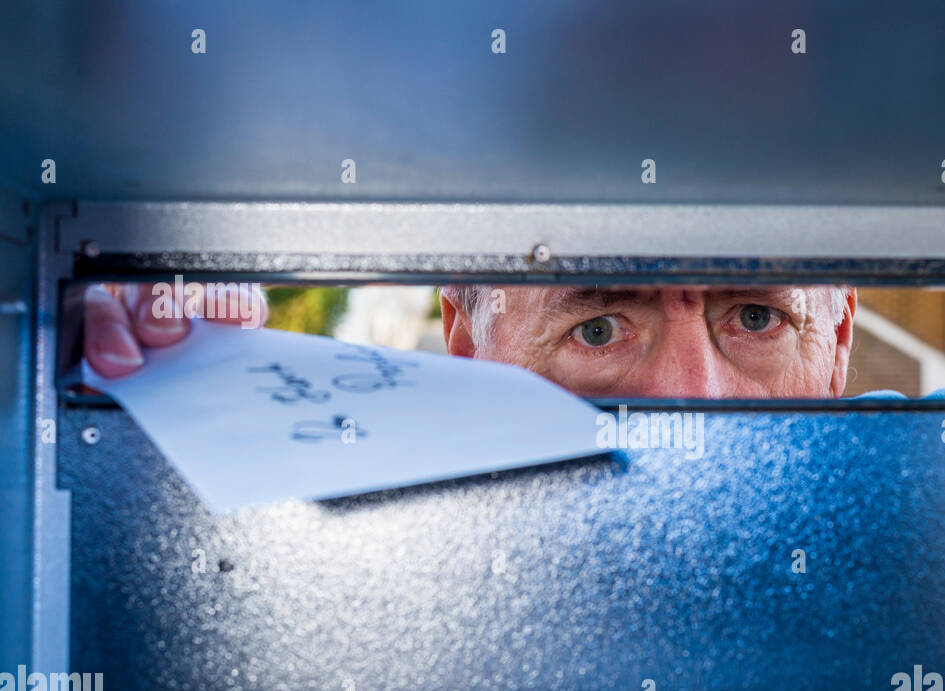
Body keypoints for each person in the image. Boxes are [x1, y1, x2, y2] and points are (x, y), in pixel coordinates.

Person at [82, 282, 856, 400]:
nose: (693, 398)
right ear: (464, 342)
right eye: (597, 330)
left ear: (840, 337)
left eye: (757, 318)